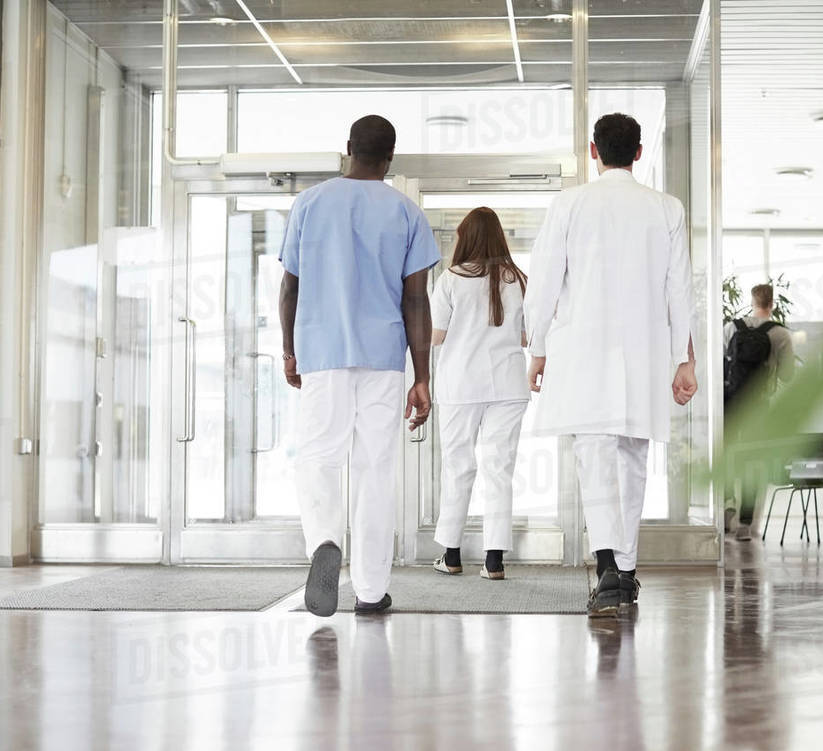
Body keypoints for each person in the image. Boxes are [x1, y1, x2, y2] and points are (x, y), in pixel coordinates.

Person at [524, 112, 697, 617]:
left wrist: (537, 349)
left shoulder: (570, 203)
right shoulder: (666, 208)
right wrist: (684, 360)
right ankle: (624, 571)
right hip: (643, 356)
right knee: (633, 464)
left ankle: (609, 571)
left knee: (595, 462)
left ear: (594, 153)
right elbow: (680, 290)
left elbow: (545, 282)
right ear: (639, 153)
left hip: (583, 353)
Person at [279, 114, 439, 617]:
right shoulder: (406, 212)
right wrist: (422, 377)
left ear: (347, 148)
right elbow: (417, 301)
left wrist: (290, 349)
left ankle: (324, 541)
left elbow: (291, 286)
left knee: (319, 456)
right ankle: (370, 591)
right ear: (390, 158)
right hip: (383, 357)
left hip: (322, 353)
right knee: (375, 469)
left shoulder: (309, 204)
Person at [429, 207, 529, 581]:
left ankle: (451, 554)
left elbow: (436, 335)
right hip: (508, 384)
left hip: (461, 385)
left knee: (458, 467)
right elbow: (526, 335)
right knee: (499, 470)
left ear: (467, 238)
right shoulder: (518, 279)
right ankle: (494, 561)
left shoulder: (451, 280)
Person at [723, 283, 795, 540]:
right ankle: (744, 524)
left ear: (751, 301)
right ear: (772, 303)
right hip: (759, 407)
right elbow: (787, 376)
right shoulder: (780, 334)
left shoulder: (731, 328)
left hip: (730, 402)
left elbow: (721, 365)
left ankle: (727, 498)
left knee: (726, 453)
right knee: (753, 462)